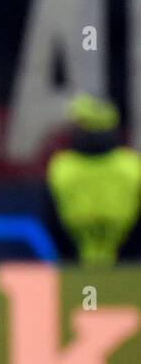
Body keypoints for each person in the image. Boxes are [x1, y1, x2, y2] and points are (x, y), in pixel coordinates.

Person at [46, 95, 141, 267]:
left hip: (120, 265)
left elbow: (51, 221)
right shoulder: (132, 165)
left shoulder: (61, 166)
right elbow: (52, 220)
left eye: (78, 125)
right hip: (121, 264)